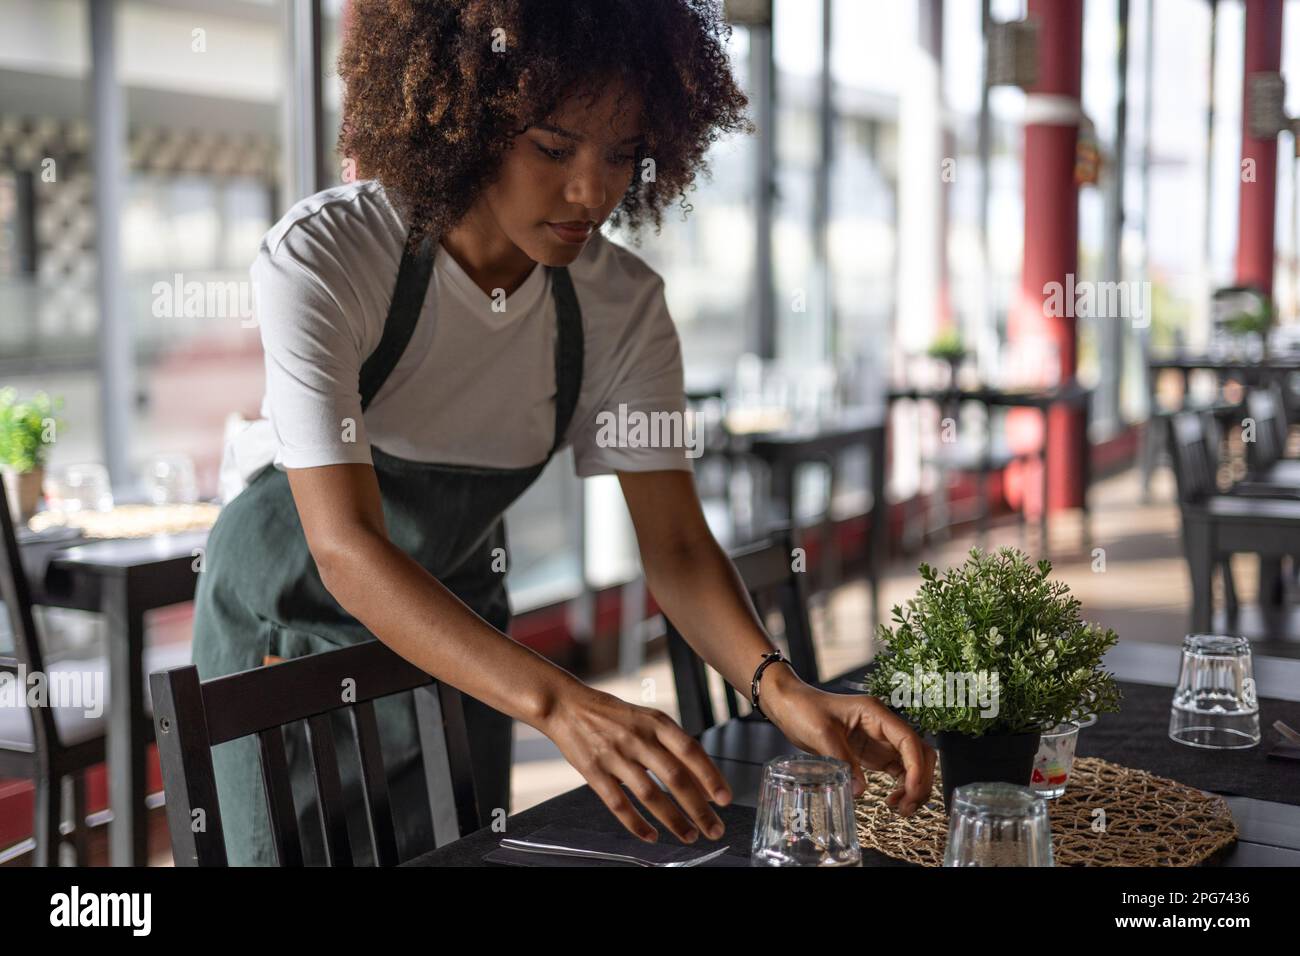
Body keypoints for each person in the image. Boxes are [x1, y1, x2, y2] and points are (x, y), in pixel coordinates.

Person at [193, 0, 935, 865]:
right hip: (288, 632)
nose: (594, 192)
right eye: (553, 147)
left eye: (622, 153)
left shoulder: (621, 309)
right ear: (468, 122)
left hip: (460, 628)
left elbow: (681, 549)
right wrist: (557, 703)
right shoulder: (331, 258)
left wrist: (779, 687)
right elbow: (348, 547)